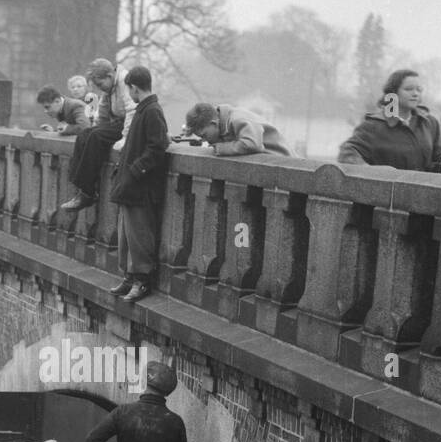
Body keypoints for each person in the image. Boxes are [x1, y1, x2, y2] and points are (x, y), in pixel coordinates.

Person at [108, 65, 170, 303]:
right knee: (126, 236)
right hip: (131, 185)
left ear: (133, 88)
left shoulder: (152, 111)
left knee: (139, 236)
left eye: (130, 90)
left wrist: (133, 171)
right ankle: (129, 277)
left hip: (140, 188)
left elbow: (157, 148)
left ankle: (141, 281)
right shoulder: (145, 109)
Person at [338, 69, 441, 172]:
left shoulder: (429, 123)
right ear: (393, 93)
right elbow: (347, 153)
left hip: (422, 194)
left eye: (419, 89)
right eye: (409, 89)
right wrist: (371, 171)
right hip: (386, 195)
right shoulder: (373, 126)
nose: (415, 93)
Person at [58, 57, 135, 212]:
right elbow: (103, 109)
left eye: (100, 84)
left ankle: (87, 193)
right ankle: (78, 185)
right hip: (118, 123)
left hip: (130, 126)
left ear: (109, 76)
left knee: (96, 137)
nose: (100, 89)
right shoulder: (110, 85)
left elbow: (132, 111)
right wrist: (94, 128)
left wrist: (126, 137)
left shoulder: (124, 81)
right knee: (85, 134)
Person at [184, 102, 292, 156]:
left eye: (204, 136)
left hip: (286, 163)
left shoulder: (238, 119)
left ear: (213, 123)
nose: (204, 140)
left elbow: (252, 144)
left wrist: (222, 148)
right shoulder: (223, 124)